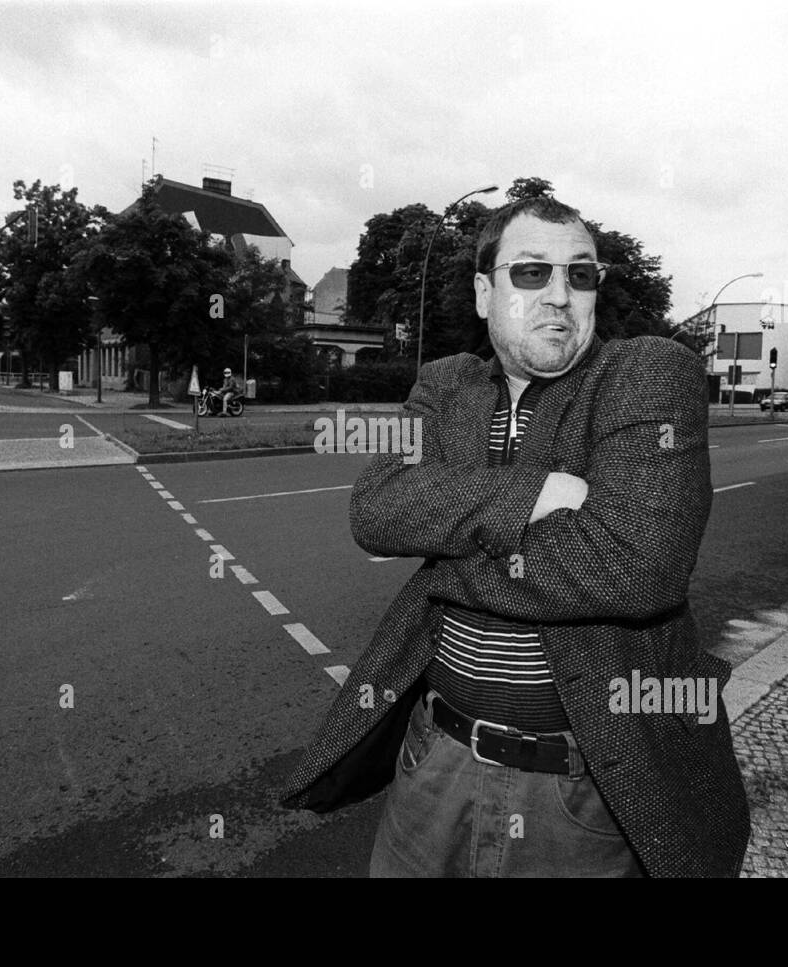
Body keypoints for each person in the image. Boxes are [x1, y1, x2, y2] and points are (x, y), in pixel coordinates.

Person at [280, 196, 750, 877]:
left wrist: (444, 561)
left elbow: (636, 567)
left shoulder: (645, 373)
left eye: (580, 275)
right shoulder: (444, 385)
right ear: (484, 291)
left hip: (581, 792)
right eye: (532, 272)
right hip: (431, 765)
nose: (560, 295)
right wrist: (539, 493)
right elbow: (376, 507)